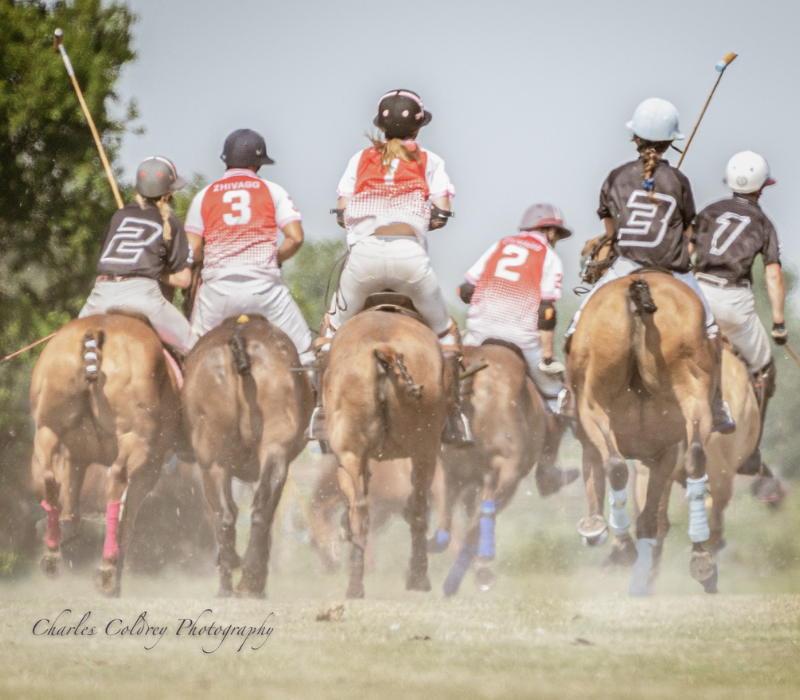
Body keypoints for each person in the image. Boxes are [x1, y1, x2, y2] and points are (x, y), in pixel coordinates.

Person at [562, 97, 734, 433]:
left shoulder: (615, 177)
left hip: (626, 266)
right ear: (671, 141)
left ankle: (568, 396)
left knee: (575, 329)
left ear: (635, 138)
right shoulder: (679, 180)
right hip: (675, 271)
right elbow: (687, 232)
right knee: (712, 334)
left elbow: (610, 235)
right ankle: (716, 402)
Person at [314, 89, 467, 443]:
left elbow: (342, 210)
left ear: (380, 127)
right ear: (417, 129)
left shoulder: (358, 159)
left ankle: (322, 413)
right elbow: (441, 212)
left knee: (328, 338)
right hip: (411, 261)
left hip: (362, 260)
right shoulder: (431, 160)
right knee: (446, 337)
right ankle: (452, 416)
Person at [457, 203, 579, 494]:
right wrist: (548, 356)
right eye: (556, 234)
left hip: (479, 331)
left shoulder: (500, 244)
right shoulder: (549, 257)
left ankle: (450, 430)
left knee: (451, 378)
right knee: (558, 398)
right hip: (520, 336)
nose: (556, 240)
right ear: (547, 230)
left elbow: (465, 290)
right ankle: (548, 470)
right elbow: (547, 311)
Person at [184, 128, 313, 364]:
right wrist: (276, 259)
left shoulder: (203, 195)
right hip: (264, 291)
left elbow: (192, 250)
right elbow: (295, 237)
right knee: (305, 354)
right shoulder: (273, 191)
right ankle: (315, 400)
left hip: (216, 293)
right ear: (257, 164)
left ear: (226, 161)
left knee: (191, 357)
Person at [692, 150, 785, 468]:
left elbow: (685, 250)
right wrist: (778, 322)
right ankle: (750, 450)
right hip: (733, 304)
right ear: (761, 187)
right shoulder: (763, 222)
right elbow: (772, 274)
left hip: (697, 295)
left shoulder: (708, 211)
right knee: (765, 369)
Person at [79, 156, 192, 353]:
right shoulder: (172, 222)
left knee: (72, 343)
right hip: (143, 297)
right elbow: (184, 280)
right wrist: (158, 273)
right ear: (169, 193)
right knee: (196, 348)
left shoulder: (119, 215)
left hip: (101, 293)